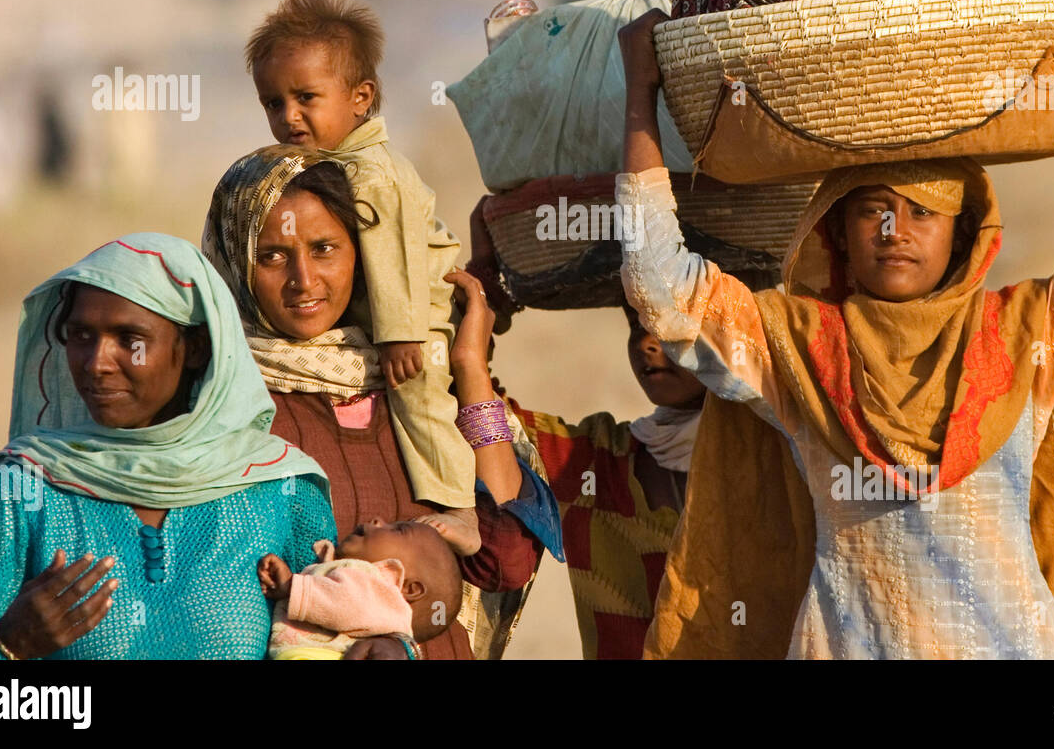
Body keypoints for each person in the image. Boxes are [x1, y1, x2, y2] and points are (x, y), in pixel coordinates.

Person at [614, 0, 1054, 659]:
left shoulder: (1030, 333)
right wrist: (642, 95)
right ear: (836, 231)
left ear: (963, 233)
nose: (896, 232)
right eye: (873, 212)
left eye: (924, 212)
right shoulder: (792, 345)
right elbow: (658, 286)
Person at [203, 146, 562, 660]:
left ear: (365, 255)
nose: (304, 280)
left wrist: (469, 371)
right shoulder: (227, 406)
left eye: (325, 248)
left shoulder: (419, 385)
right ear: (235, 261)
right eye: (272, 256)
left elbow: (505, 560)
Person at [0, 233, 333, 660]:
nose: (97, 363)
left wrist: (387, 645)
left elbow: (347, 629)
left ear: (197, 347)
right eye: (81, 335)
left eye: (130, 339)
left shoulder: (279, 487)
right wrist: (7, 645)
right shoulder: (22, 487)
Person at [244, 0, 478, 553]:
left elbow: (393, 256)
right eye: (273, 103)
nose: (289, 116)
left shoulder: (372, 171)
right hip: (398, 313)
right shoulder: (325, 169)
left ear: (360, 98)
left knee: (421, 398)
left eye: (306, 98)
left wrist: (400, 335)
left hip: (418, 314)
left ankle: (462, 510)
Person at [461, 209, 704, 658]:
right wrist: (485, 297)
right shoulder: (601, 461)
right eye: (635, 325)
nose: (646, 344)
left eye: (670, 322)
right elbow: (492, 423)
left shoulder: (780, 448)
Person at [259, 518, 463, 660]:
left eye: (398, 530)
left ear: (409, 588)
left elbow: (345, 602)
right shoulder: (356, 579)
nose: (377, 520)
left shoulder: (381, 594)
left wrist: (291, 586)